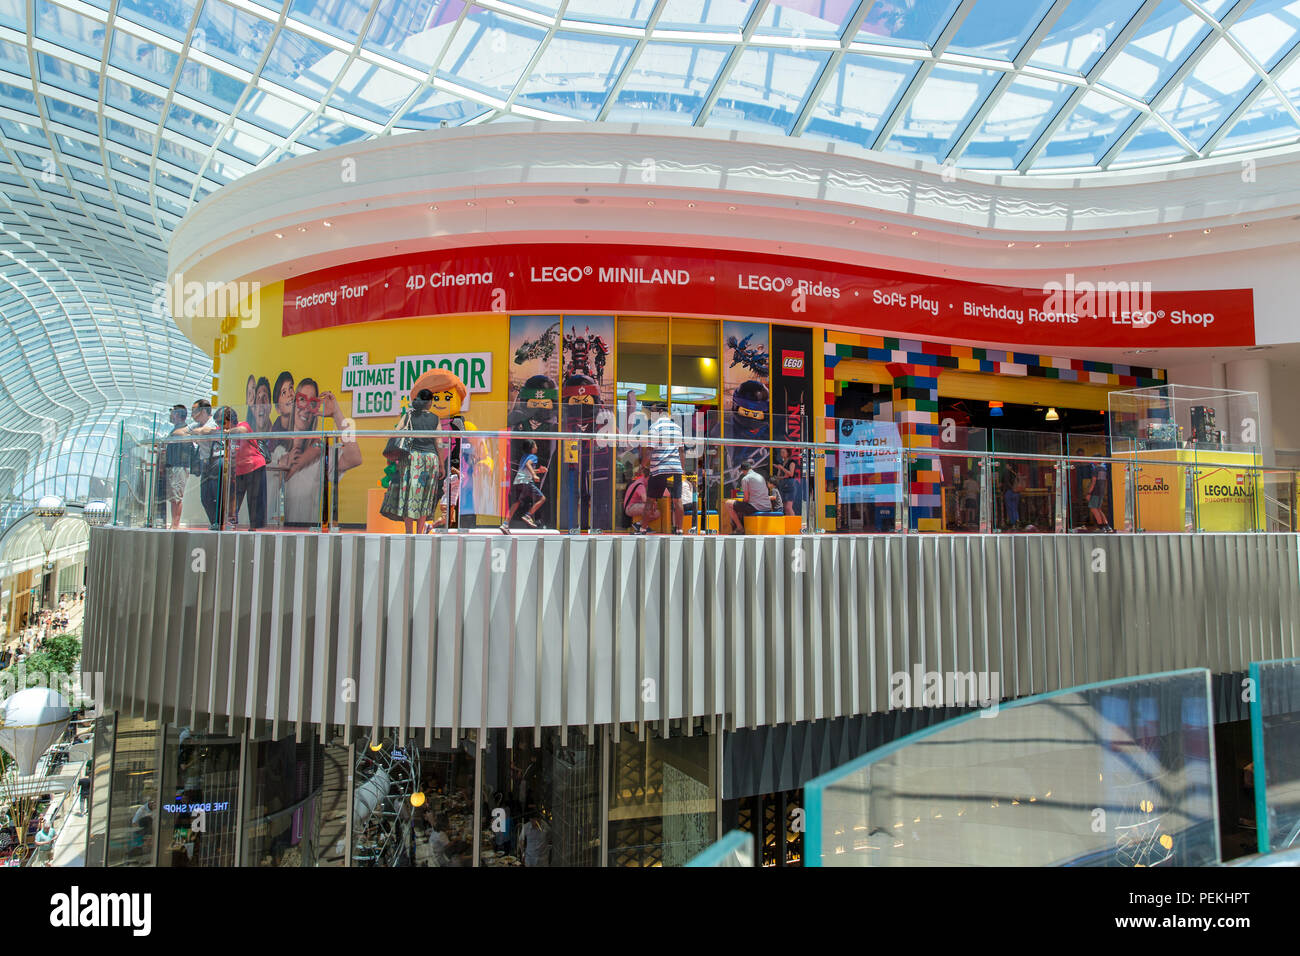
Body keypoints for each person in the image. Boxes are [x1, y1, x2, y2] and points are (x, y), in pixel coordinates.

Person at [384, 388, 442, 535]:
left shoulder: (408, 415)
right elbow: (439, 443)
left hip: (411, 458)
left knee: (408, 495)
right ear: (429, 402)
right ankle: (420, 531)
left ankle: (409, 532)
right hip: (430, 459)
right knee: (425, 495)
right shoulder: (435, 418)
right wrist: (441, 464)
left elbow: (396, 432)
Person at [176, 400, 223, 529]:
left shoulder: (214, 422)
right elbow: (178, 433)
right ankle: (215, 522)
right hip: (205, 463)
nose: (192, 414)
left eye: (194, 411)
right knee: (205, 497)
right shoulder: (195, 425)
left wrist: (198, 432)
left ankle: (220, 523)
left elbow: (209, 431)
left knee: (217, 494)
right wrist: (195, 432)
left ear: (203, 411)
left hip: (218, 460)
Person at [221, 407, 267, 529]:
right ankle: (232, 523)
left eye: (224, 423)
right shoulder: (227, 432)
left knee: (254, 498)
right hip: (240, 470)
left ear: (230, 419)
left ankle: (253, 527)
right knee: (235, 499)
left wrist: (227, 432)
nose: (223, 427)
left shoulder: (243, 425)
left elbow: (242, 430)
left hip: (254, 466)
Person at [646, 401, 685, 535]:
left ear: (660, 412)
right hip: (675, 468)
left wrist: (643, 465)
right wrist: (682, 469)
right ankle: (679, 529)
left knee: (651, 499)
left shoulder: (655, 426)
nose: (652, 414)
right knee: (677, 499)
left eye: (653, 411)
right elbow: (681, 451)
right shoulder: (677, 428)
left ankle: (643, 529)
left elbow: (650, 448)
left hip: (659, 468)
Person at [504, 439, 547, 530]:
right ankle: (528, 515)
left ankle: (505, 524)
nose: (537, 447)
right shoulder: (533, 457)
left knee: (516, 503)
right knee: (542, 498)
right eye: (535, 445)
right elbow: (528, 465)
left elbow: (525, 469)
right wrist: (535, 475)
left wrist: (538, 471)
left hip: (518, 482)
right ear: (531, 448)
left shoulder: (524, 456)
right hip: (526, 482)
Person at [163, 404, 194, 529]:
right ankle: (173, 523)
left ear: (177, 414)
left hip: (180, 466)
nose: (170, 415)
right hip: (173, 465)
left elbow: (188, 439)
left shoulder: (184, 429)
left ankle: (175, 524)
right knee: (173, 497)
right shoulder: (175, 429)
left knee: (177, 497)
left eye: (172, 413)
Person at [724, 461, 775, 534]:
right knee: (740, 506)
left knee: (728, 503)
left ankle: (740, 528)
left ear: (743, 471)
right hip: (767, 507)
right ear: (751, 468)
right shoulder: (760, 476)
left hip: (756, 507)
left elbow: (746, 499)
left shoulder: (746, 479)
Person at [623, 466, 657, 535]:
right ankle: (643, 526)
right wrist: (654, 502)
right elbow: (645, 500)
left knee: (657, 513)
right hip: (630, 508)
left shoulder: (641, 483)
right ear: (648, 478)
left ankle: (639, 524)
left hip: (635, 506)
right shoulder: (640, 485)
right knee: (650, 507)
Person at [773, 446, 804, 518]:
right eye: (781, 452)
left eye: (783, 452)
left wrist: (782, 468)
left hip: (790, 485)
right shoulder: (782, 462)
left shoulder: (791, 462)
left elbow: (791, 474)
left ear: (788, 453)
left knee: (788, 507)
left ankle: (794, 523)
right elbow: (781, 476)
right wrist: (779, 469)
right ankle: (788, 524)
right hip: (783, 484)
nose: (782, 454)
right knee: (784, 507)